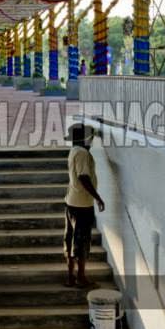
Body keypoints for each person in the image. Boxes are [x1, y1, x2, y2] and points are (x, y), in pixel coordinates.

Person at [63, 123, 105, 289]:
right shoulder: (82, 154)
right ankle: (81, 278)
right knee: (81, 243)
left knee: (70, 240)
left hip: (71, 202)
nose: (91, 141)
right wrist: (98, 198)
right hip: (82, 205)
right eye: (90, 138)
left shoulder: (74, 150)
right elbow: (83, 177)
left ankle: (71, 277)